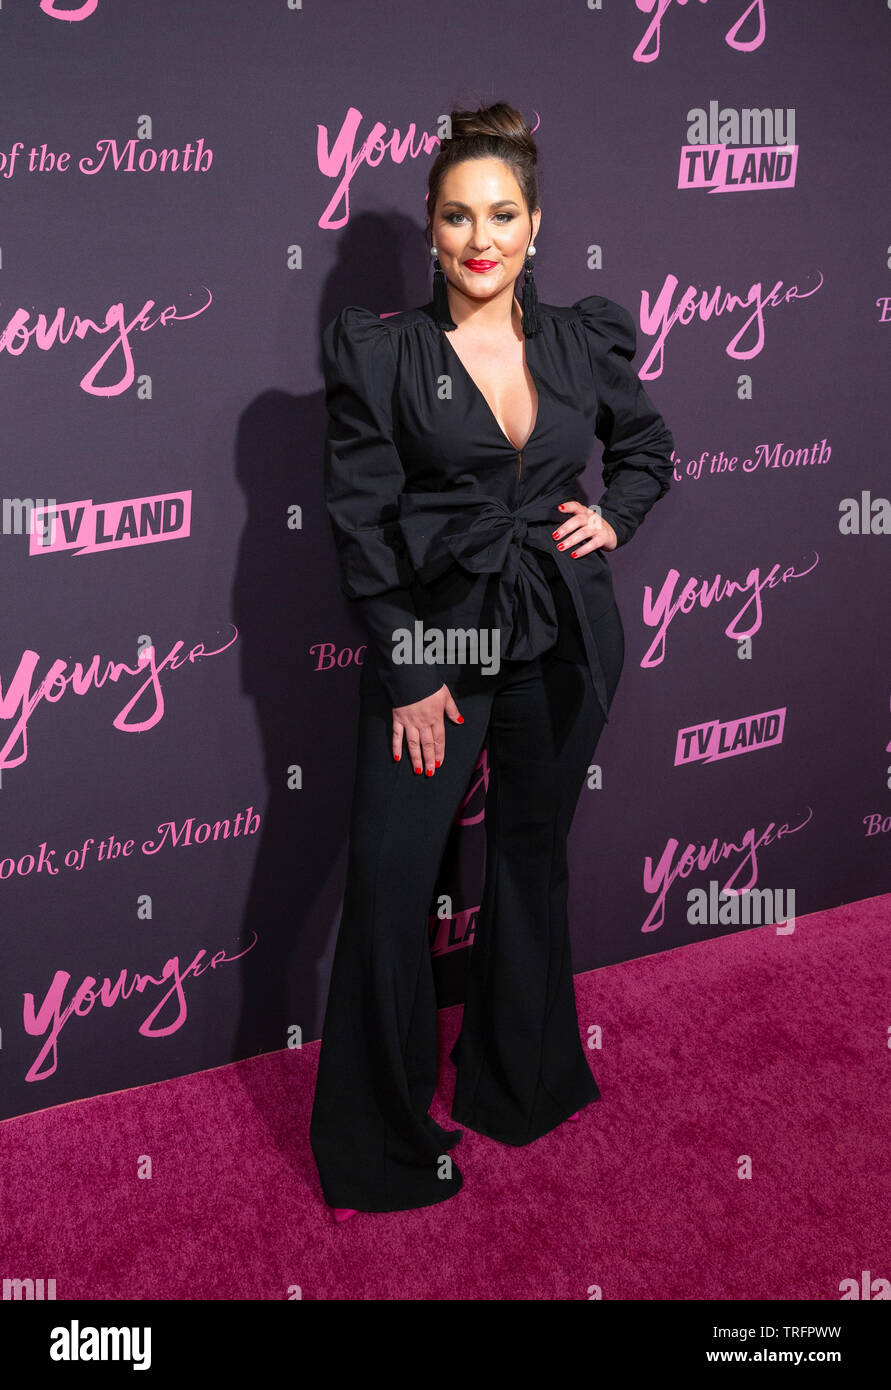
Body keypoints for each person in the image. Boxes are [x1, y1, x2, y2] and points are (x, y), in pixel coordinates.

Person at [310, 100, 675, 1219]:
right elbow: (362, 528)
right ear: (429, 227)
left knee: (530, 860)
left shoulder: (580, 340)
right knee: (389, 884)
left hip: (562, 635)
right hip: (440, 644)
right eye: (459, 215)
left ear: (535, 225)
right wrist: (414, 672)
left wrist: (614, 514)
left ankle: (521, 1079)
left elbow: (648, 446)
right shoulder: (387, 352)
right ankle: (381, 1143)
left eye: (502, 214)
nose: (481, 237)